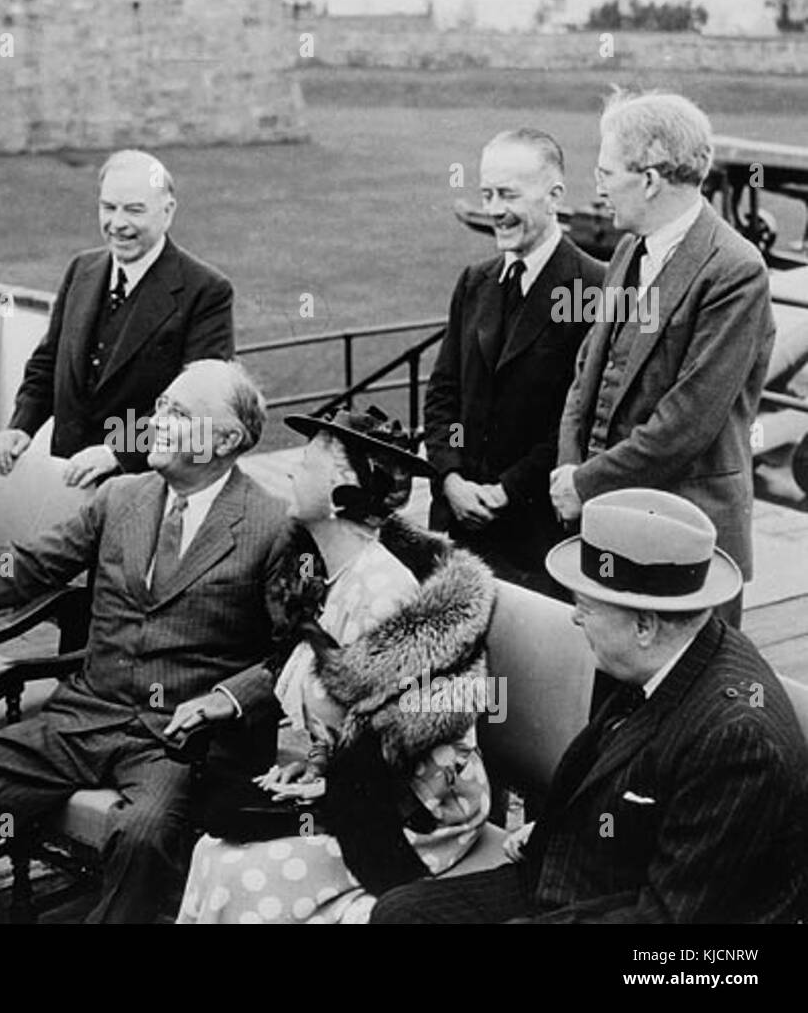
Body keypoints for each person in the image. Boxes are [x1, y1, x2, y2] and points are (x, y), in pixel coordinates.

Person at [0, 359, 302, 923]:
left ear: (227, 438)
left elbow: (295, 652)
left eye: (179, 413)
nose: (156, 422)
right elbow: (24, 565)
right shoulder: (121, 499)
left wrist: (228, 699)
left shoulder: (272, 526)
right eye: (159, 406)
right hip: (85, 716)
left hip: (179, 740)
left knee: (142, 836)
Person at [370, 488, 808, 924]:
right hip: (589, 875)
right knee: (399, 915)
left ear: (643, 624)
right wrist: (551, 833)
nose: (575, 618)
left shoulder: (737, 740)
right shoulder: (661, 653)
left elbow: (670, 918)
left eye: (586, 606)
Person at [178, 406, 495, 924]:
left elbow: (409, 746)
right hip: (364, 794)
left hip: (418, 815)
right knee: (213, 849)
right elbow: (350, 727)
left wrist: (332, 787)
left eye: (304, 466)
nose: (289, 474)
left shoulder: (384, 593)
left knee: (236, 869)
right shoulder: (336, 578)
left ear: (340, 492)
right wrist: (321, 766)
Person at [551, 91, 775, 627]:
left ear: (650, 180)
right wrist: (568, 466)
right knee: (615, 691)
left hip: (688, 545)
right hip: (615, 525)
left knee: (690, 699)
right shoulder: (630, 249)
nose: (599, 187)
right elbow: (588, 372)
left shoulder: (735, 271)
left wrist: (584, 485)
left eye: (608, 172)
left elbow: (687, 423)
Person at [424, 129, 604, 596]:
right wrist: (450, 477)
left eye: (508, 194)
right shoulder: (474, 281)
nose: (494, 209)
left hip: (534, 538)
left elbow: (580, 418)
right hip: (457, 528)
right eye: (487, 193)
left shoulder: (593, 288)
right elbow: (444, 390)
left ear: (554, 196)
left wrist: (507, 489)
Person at [0, 150, 235, 488]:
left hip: (145, 485)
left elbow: (200, 405)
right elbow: (48, 364)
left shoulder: (206, 291)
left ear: (168, 213)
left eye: (134, 210)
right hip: (69, 480)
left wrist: (116, 453)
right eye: (108, 208)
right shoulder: (81, 269)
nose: (117, 223)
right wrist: (20, 426)